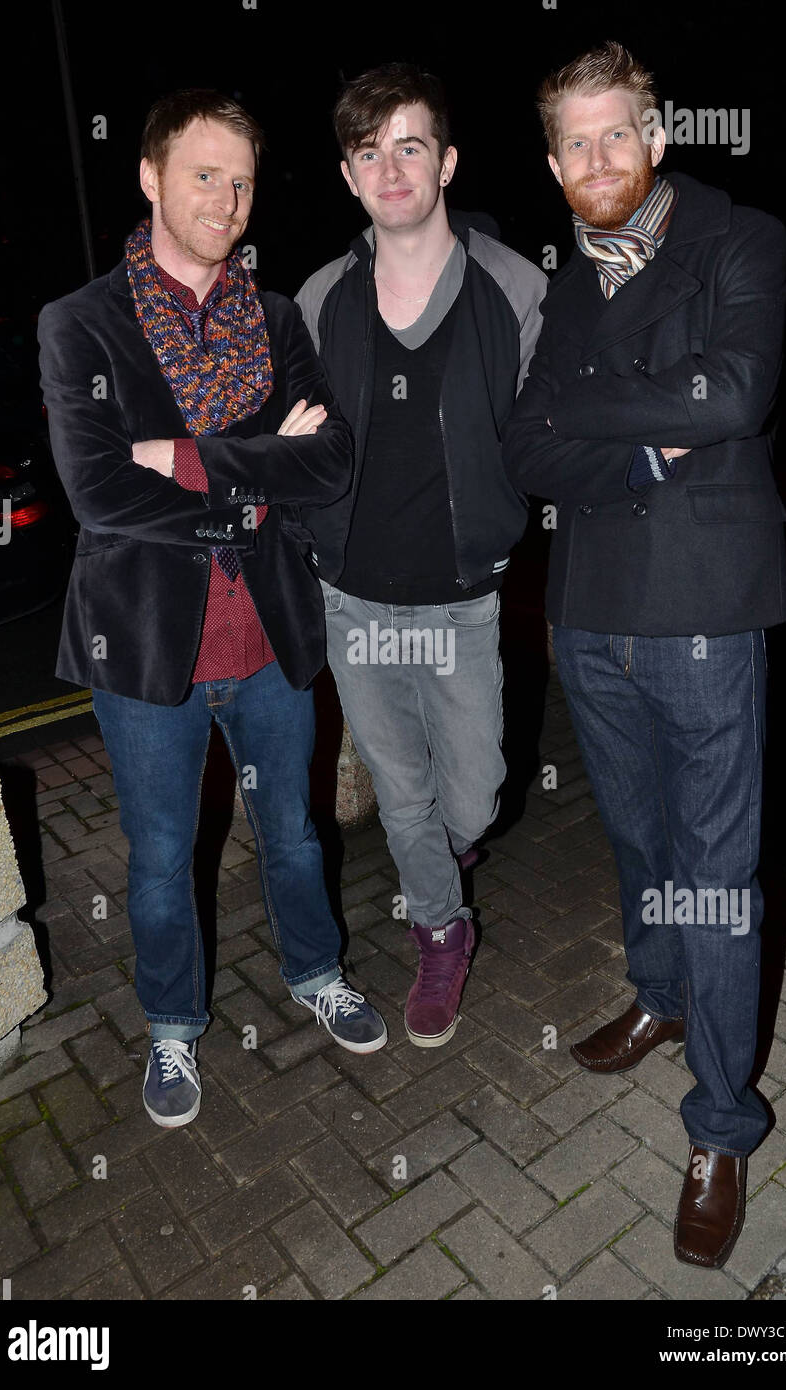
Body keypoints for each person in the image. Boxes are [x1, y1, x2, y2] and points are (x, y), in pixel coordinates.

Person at [38, 89, 387, 1130]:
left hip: (269, 634)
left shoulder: (274, 320)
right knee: (158, 858)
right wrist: (259, 471)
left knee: (293, 831)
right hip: (145, 649)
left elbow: (328, 461)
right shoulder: (81, 323)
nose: (226, 199)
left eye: (240, 180)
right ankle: (174, 1028)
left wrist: (188, 459)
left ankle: (315, 971)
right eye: (203, 173)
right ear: (149, 178)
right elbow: (98, 494)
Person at [503, 41, 786, 1267]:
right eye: (572, 142)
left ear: (657, 135)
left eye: (614, 132)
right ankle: (662, 999)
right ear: (554, 164)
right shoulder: (565, 285)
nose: (594, 159)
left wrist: (589, 410)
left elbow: (729, 396)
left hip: (703, 608)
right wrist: (632, 431)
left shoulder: (740, 240)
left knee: (717, 872)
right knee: (636, 840)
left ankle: (721, 1123)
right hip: (591, 615)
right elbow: (527, 448)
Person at [296, 63, 547, 1048]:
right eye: (369, 151)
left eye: (409, 145)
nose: (390, 166)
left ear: (445, 161)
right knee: (402, 794)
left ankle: (444, 858)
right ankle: (440, 928)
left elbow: (543, 428)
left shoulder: (514, 284)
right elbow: (303, 440)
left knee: (477, 793)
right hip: (353, 597)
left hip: (459, 598)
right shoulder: (320, 296)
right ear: (349, 177)